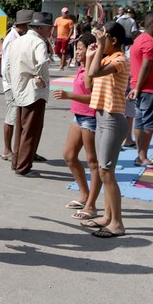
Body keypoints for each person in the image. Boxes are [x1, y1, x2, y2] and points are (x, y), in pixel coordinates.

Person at [81, 23, 130, 238]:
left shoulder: (120, 60)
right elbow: (88, 80)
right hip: (101, 116)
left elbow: (97, 73)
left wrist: (98, 50)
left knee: (106, 171)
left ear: (114, 41)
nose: (100, 42)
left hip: (112, 118)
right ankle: (107, 217)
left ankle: (117, 223)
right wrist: (92, 54)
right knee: (103, 170)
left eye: (104, 38)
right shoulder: (106, 58)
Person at [53, 33, 101, 220]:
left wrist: (69, 96)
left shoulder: (94, 69)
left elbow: (95, 97)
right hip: (78, 116)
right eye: (77, 48)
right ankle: (84, 194)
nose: (77, 51)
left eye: (80, 48)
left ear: (90, 49)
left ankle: (91, 206)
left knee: (93, 162)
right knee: (69, 155)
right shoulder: (82, 68)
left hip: (90, 117)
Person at [4, 11, 53, 177]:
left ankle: (17, 162)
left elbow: (8, 67)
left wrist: (14, 83)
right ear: (40, 27)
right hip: (34, 91)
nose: (50, 32)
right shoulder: (38, 43)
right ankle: (23, 167)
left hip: (19, 89)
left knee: (21, 129)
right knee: (31, 130)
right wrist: (42, 79)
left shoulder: (18, 41)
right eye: (49, 28)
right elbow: (43, 63)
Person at [130, 13, 153, 170]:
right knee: (148, 123)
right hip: (149, 89)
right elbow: (146, 66)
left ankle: (140, 155)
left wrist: (135, 87)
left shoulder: (139, 39)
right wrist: (138, 87)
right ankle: (142, 156)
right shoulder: (150, 43)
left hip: (140, 87)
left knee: (140, 121)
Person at [0, 10, 32, 160]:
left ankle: (20, 149)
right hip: (12, 84)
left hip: (19, 83)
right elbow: (7, 65)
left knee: (19, 117)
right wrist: (12, 85)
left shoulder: (19, 36)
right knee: (11, 117)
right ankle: (7, 149)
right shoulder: (11, 39)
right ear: (24, 24)